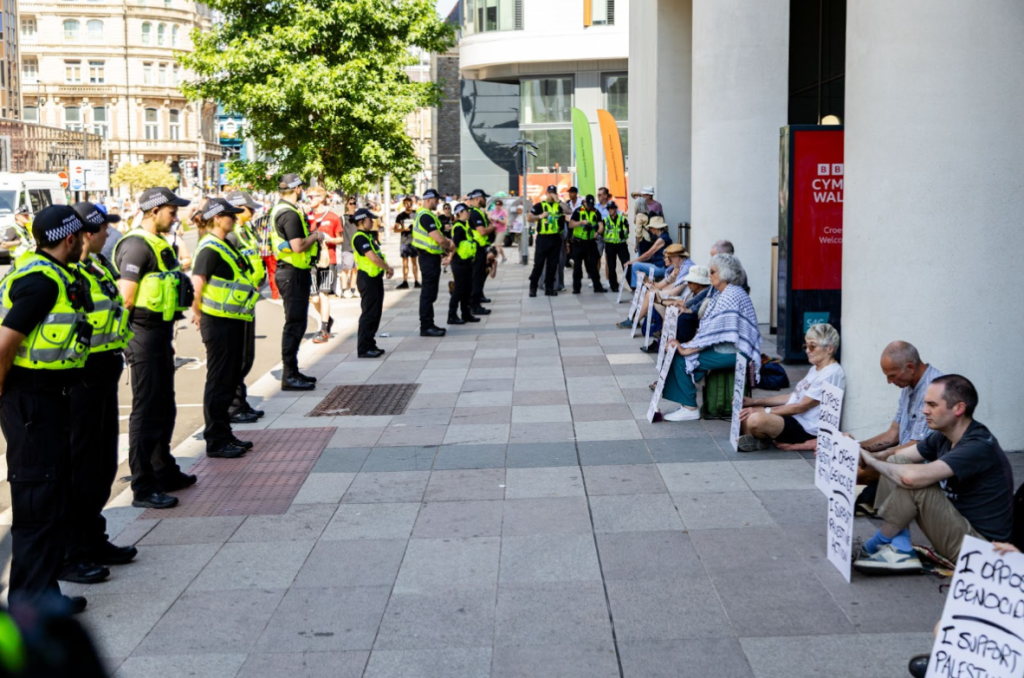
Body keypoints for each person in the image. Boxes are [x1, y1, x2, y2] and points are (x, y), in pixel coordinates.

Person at [0, 205, 97, 612]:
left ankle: (40, 594)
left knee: (49, 499)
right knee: (37, 502)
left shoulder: (54, 273)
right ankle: (29, 605)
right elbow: (4, 345)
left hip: (48, 400)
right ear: (72, 238)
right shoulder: (40, 281)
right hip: (30, 403)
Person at [856, 375, 1014, 573]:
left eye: (932, 404)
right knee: (898, 463)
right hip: (959, 528)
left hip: (981, 552)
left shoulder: (978, 445)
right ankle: (899, 546)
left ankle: (880, 546)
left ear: (958, 408)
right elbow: (896, 456)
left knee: (916, 484)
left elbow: (910, 479)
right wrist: (861, 453)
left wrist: (871, 462)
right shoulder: (943, 436)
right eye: (925, 404)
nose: (924, 410)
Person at [64, 202, 136, 585]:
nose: (110, 234)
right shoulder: (64, 273)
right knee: (80, 467)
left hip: (103, 374)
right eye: (104, 229)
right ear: (86, 234)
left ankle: (94, 538)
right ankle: (71, 550)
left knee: (102, 464)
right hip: (80, 379)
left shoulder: (97, 266)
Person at [114, 187, 196, 509]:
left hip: (160, 334)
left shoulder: (160, 244)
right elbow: (126, 299)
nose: (176, 217)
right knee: (147, 410)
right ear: (153, 211)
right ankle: (143, 484)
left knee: (164, 406)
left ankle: (164, 469)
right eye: (172, 211)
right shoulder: (136, 246)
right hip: (142, 334)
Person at [190, 198, 257, 459]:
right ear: (217, 218)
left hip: (231, 320)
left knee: (229, 380)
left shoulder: (223, 244)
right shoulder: (209, 247)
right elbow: (197, 284)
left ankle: (224, 433)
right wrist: (197, 314)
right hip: (217, 323)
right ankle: (215, 440)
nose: (235, 218)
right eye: (230, 215)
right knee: (219, 382)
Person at [659, 254, 760, 422]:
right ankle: (686, 399)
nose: (709, 275)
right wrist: (687, 345)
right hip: (731, 347)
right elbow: (711, 330)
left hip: (737, 351)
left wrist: (686, 348)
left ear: (725, 274)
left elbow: (713, 332)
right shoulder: (725, 292)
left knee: (680, 358)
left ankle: (689, 407)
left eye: (712, 271)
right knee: (684, 354)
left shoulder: (730, 295)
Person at [853, 341, 944, 511]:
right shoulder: (909, 386)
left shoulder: (933, 389)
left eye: (892, 375)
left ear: (910, 367)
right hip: (904, 459)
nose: (889, 381)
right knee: (853, 465)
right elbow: (893, 434)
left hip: (924, 466)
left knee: (858, 471)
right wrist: (855, 448)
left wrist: (874, 458)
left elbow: (917, 446)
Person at [736, 324, 845, 451]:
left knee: (755, 419)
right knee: (745, 412)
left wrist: (763, 411)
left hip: (806, 428)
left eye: (812, 346)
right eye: (806, 346)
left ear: (830, 349)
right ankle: (759, 440)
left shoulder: (830, 373)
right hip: (793, 417)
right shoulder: (816, 368)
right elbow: (793, 397)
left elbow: (801, 406)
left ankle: (759, 438)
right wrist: (755, 402)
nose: (807, 350)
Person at [270, 173, 325, 391]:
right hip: (292, 274)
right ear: (298, 189)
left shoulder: (281, 209)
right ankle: (289, 375)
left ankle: (292, 370)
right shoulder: (289, 213)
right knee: (294, 324)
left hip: (293, 272)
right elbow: (298, 246)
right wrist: (316, 235)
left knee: (298, 323)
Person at [224, 190, 267, 424]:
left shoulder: (245, 231)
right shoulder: (231, 236)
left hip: (249, 298)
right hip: (236, 303)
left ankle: (240, 401)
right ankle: (233, 405)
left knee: (246, 356)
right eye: (250, 208)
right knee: (238, 357)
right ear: (239, 209)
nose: (254, 211)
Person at [351, 207, 393, 358]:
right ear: (362, 221)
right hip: (367, 279)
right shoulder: (360, 238)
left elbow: (377, 255)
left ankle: (370, 343)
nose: (372, 222)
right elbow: (373, 258)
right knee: (369, 313)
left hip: (374, 278)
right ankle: (363, 348)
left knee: (375, 313)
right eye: (370, 219)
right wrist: (388, 267)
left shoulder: (368, 236)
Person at [411, 188, 453, 337]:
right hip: (427, 259)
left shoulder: (426, 215)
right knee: (428, 293)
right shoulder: (426, 216)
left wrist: (442, 251)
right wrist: (449, 245)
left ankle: (429, 323)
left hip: (431, 257)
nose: (438, 202)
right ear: (428, 199)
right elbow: (439, 239)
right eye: (436, 200)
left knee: (430, 293)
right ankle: (426, 326)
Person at [306, 186, 342, 344]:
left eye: (311, 197)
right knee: (314, 299)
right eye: (308, 197)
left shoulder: (333, 217)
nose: (309, 200)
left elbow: (340, 239)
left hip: (328, 260)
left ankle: (324, 329)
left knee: (323, 294)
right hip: (312, 261)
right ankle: (327, 318)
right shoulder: (307, 218)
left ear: (321, 198)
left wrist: (329, 239)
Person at [527, 185, 565, 297]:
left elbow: (568, 210)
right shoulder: (540, 205)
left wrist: (558, 201)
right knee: (538, 264)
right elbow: (529, 217)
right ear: (546, 193)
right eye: (549, 192)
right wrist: (540, 217)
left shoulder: (559, 206)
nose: (551, 195)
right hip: (543, 239)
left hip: (555, 238)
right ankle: (533, 287)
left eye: (553, 193)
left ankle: (549, 288)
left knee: (552, 265)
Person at [447, 203, 480, 326]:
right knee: (459, 290)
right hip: (459, 262)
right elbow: (455, 244)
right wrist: (450, 257)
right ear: (460, 212)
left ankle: (466, 314)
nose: (469, 213)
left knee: (467, 289)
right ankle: (452, 315)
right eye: (466, 211)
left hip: (466, 262)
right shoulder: (458, 227)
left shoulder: (465, 225)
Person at [568, 194, 607, 294]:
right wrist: (581, 222)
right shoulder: (578, 211)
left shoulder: (596, 211)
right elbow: (571, 224)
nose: (589, 206)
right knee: (577, 267)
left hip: (590, 242)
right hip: (578, 242)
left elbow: (601, 225)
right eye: (588, 204)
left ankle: (597, 286)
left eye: (591, 204)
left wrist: (597, 232)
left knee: (593, 265)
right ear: (584, 202)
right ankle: (576, 288)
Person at [466, 189, 496, 315]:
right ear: (478, 199)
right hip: (477, 249)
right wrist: (492, 227)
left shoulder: (478, 212)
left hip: (481, 248)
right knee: (476, 278)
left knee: (478, 277)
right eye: (484, 198)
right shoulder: (475, 213)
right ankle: (474, 305)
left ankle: (475, 302)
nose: (485, 200)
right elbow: (482, 232)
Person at [626, 216, 671, 288]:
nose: (650, 230)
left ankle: (635, 288)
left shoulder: (662, 239)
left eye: (651, 228)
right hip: (658, 265)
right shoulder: (661, 237)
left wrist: (632, 261)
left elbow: (648, 254)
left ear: (655, 228)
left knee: (635, 265)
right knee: (639, 265)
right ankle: (640, 287)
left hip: (661, 267)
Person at [602, 201, 630, 293]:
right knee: (611, 266)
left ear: (615, 209)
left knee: (626, 264)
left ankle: (631, 284)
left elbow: (628, 229)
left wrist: (624, 233)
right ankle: (614, 285)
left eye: (612, 208)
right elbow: (602, 231)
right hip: (610, 245)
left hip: (621, 244)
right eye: (609, 209)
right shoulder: (605, 220)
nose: (610, 210)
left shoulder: (622, 219)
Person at [394, 196, 420, 290]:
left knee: (414, 262)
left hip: (414, 241)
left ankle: (416, 281)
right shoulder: (400, 216)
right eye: (406, 203)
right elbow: (395, 229)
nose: (408, 205)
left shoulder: (416, 214)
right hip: (404, 241)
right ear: (404, 204)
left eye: (410, 203)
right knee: (405, 263)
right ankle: (405, 281)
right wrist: (403, 229)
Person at [338, 201, 359, 298]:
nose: (353, 205)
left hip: (357, 247)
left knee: (355, 270)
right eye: (350, 203)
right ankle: (344, 290)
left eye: (354, 203)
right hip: (347, 246)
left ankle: (353, 289)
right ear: (347, 204)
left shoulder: (359, 217)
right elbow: (339, 232)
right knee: (346, 269)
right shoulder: (343, 218)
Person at [489, 199, 508, 263]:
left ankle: (495, 258)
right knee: (498, 245)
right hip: (495, 229)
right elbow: (491, 218)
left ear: (501, 205)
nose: (497, 206)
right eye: (496, 204)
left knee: (497, 245)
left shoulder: (503, 212)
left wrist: (497, 220)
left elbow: (505, 222)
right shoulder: (494, 211)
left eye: (499, 204)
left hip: (501, 230)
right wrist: (491, 220)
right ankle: (504, 257)